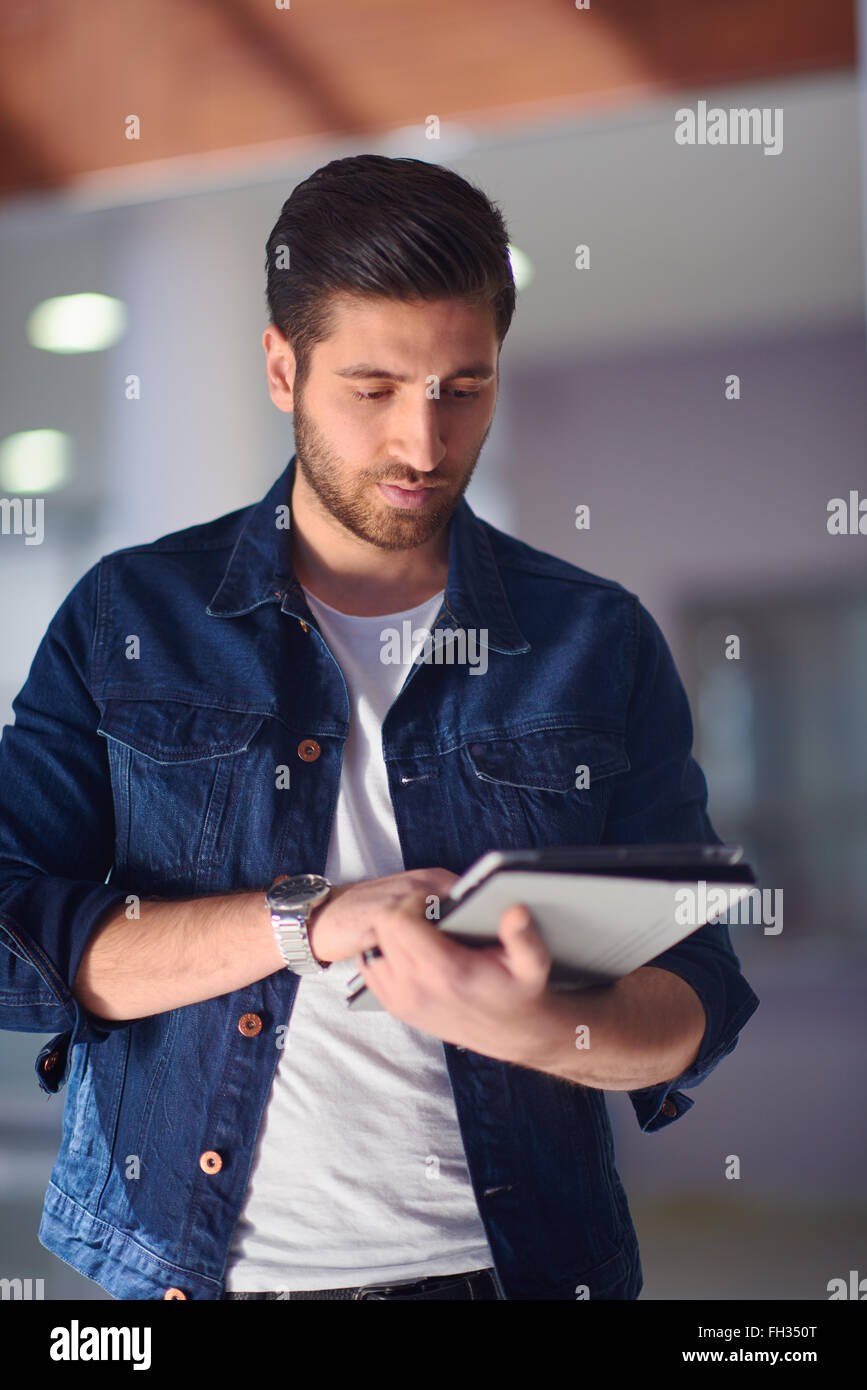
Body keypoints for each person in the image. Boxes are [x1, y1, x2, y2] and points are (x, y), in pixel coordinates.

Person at [0, 154, 758, 1301]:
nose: (423, 441)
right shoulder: (126, 614)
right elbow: (15, 933)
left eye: (465, 386)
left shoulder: (596, 639)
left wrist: (539, 1023)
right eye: (373, 387)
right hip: (186, 1277)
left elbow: (693, 996)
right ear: (280, 367)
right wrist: (304, 921)